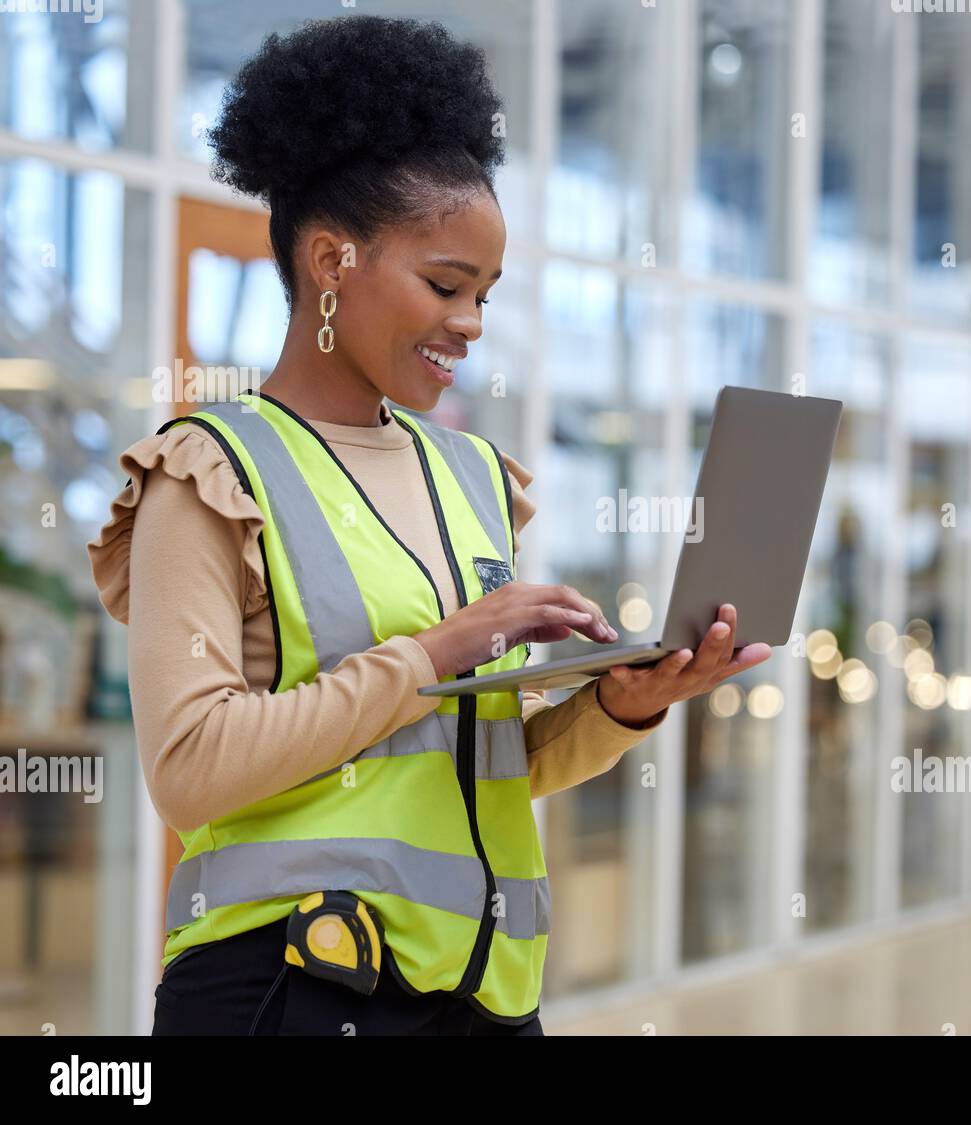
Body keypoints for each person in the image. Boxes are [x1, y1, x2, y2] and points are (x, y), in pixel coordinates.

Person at [85, 15, 770, 1036]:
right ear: (330, 259)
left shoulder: (471, 476)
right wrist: (439, 650)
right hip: (292, 990)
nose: (471, 323)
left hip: (483, 996)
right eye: (445, 285)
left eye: (486, 294)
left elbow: (477, 764)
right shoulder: (210, 472)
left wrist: (622, 708)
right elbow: (190, 772)